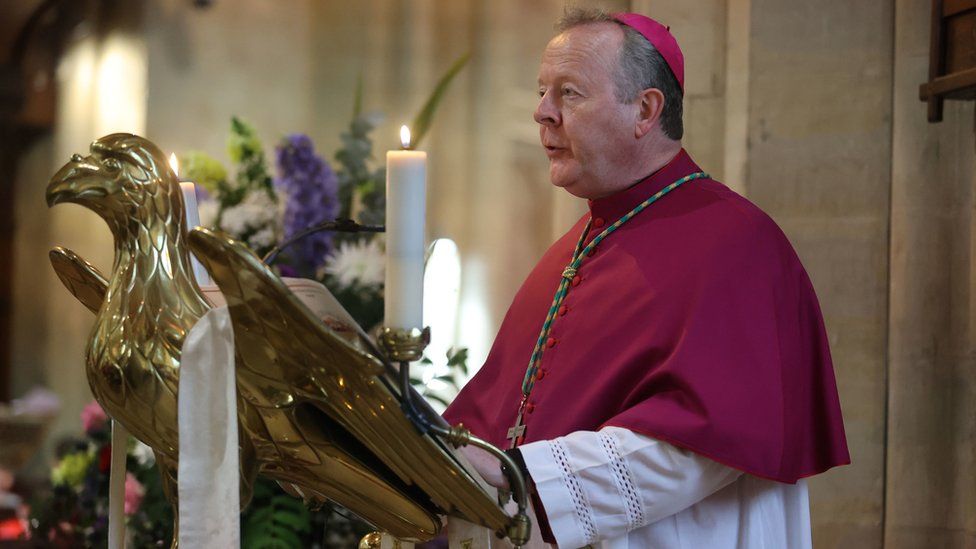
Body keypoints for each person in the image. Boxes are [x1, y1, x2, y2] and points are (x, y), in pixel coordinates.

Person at [443, 8, 849, 549]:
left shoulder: (736, 243)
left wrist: (516, 474)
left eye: (569, 93)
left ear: (645, 109)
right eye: (542, 91)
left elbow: (708, 445)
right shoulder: (575, 246)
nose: (542, 113)